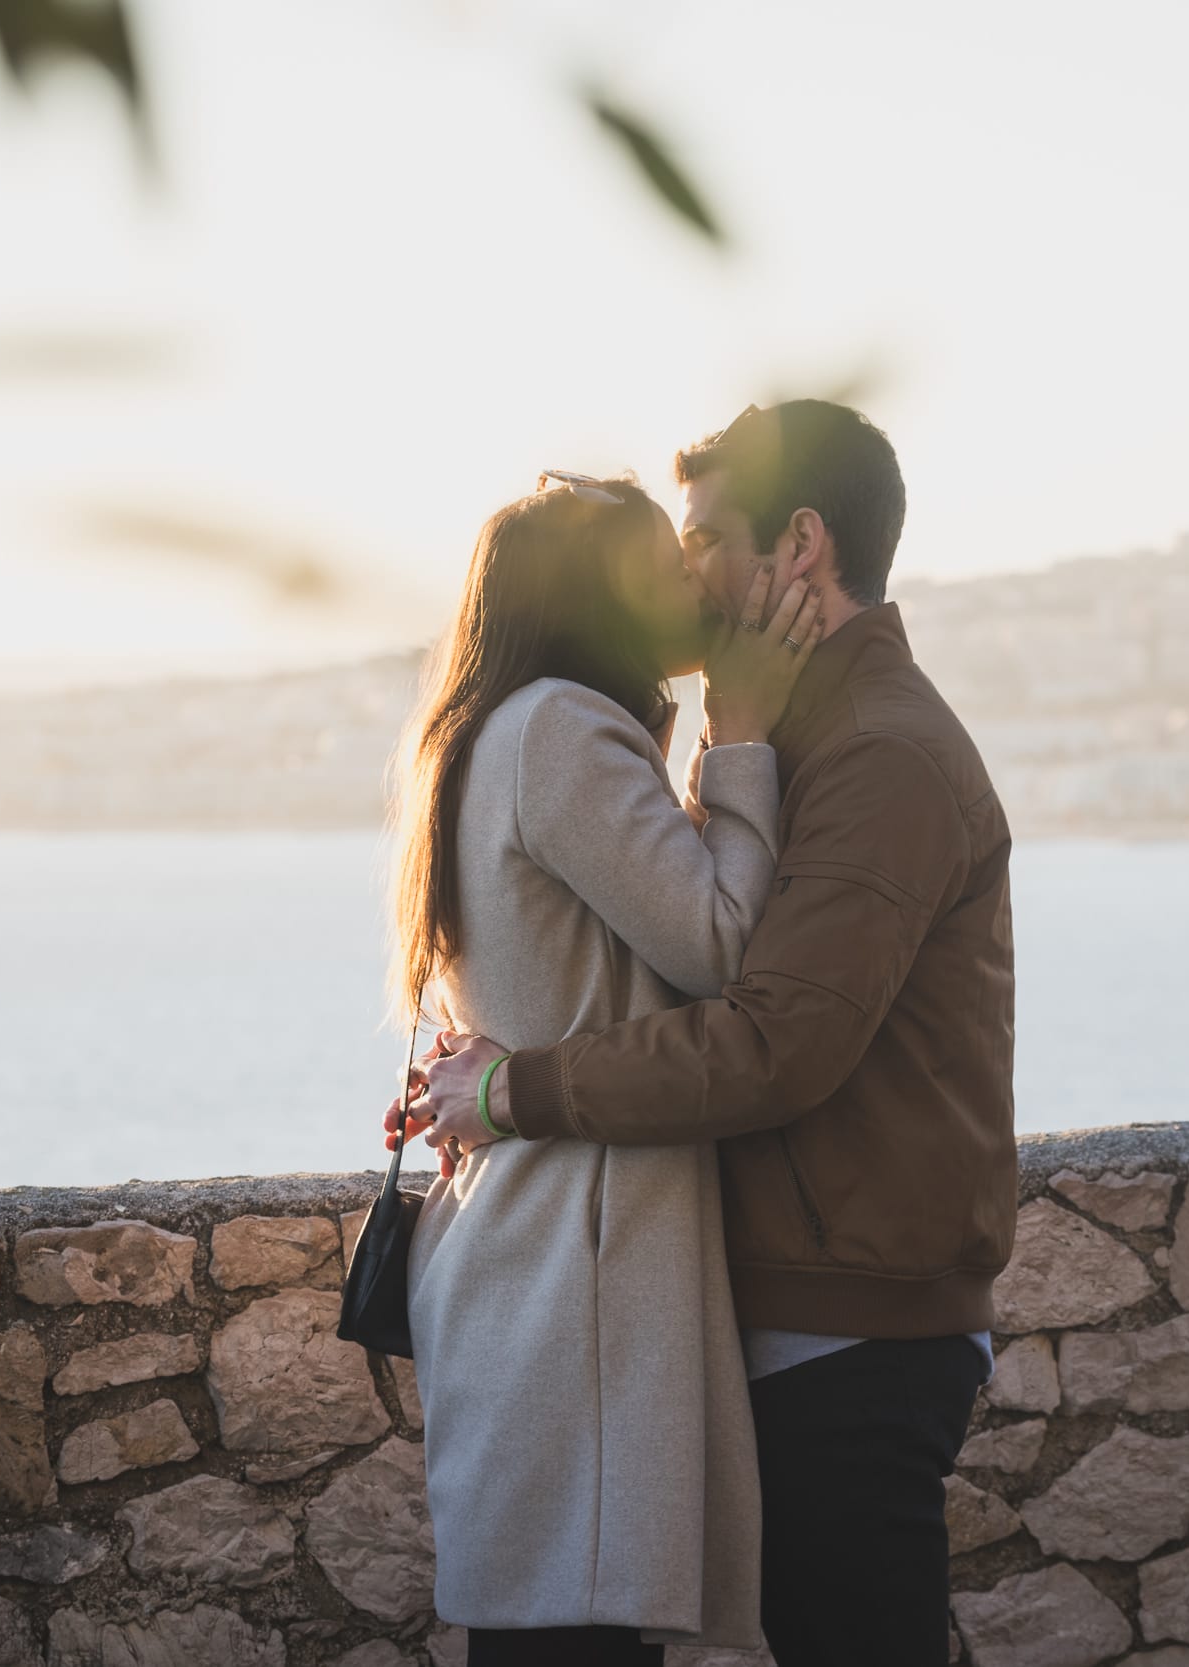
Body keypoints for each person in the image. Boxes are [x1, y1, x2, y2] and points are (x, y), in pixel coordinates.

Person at [413, 402, 1020, 1667]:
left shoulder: (876, 751)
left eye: (699, 537)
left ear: (796, 546)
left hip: (848, 1323)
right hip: (756, 1301)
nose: (685, 571)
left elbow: (768, 1040)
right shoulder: (779, 734)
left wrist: (519, 1087)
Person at [386, 468, 823, 1664]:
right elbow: (722, 944)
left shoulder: (504, 731)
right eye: (657, 568)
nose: (688, 582)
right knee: (571, 1638)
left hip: (535, 1267)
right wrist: (741, 740)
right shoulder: (564, 733)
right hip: (567, 1277)